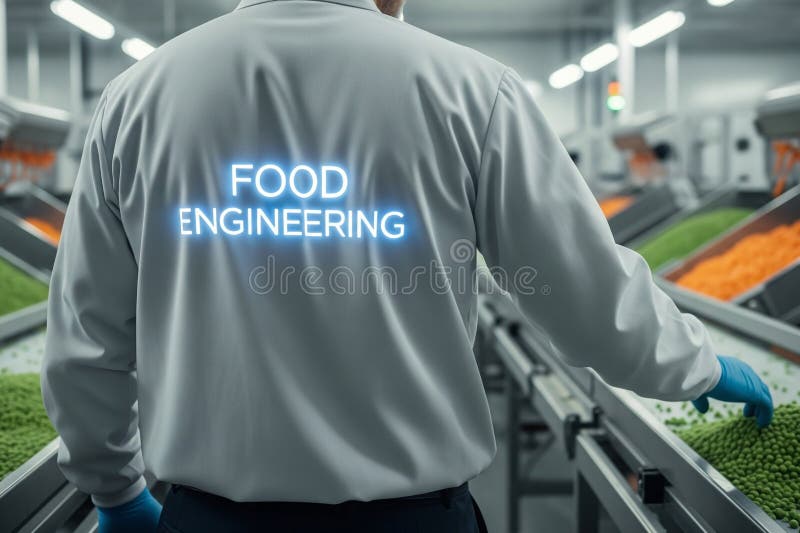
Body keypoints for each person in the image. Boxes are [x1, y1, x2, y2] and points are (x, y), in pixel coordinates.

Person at [41, 0, 773, 532]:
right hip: (415, 520)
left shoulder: (136, 101)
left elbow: (86, 339)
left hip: (207, 518)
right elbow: (584, 294)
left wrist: (114, 489)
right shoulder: (467, 88)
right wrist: (697, 365)